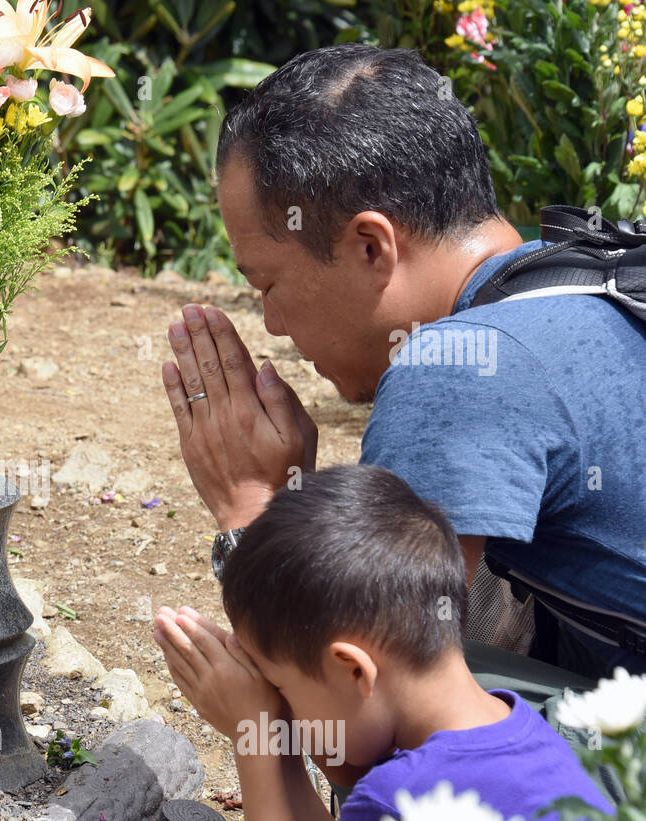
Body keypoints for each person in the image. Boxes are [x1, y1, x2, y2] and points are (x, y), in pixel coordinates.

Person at [162, 44, 646, 682]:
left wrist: (254, 510)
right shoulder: (590, 281)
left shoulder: (454, 371)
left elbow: (363, 706)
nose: (271, 323)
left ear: (370, 247)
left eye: (267, 285)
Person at [152, 464, 625, 821]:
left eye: (282, 687)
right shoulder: (521, 727)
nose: (281, 706)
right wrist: (276, 737)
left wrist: (252, 737)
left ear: (354, 671)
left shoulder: (409, 793)